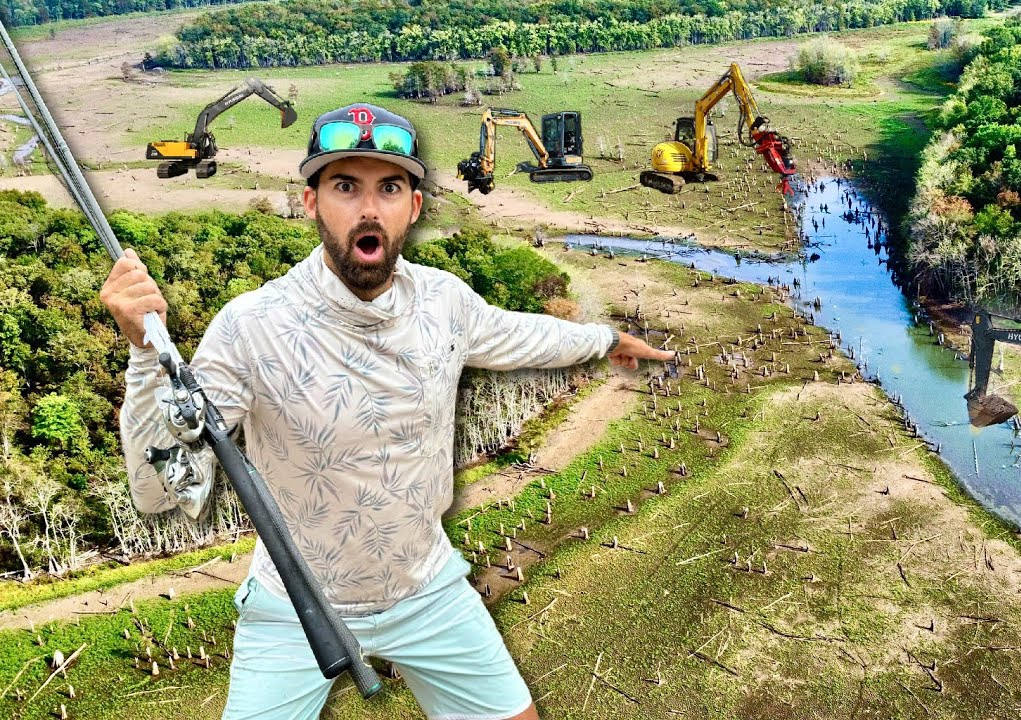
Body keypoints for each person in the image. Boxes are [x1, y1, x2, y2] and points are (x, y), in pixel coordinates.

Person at [100, 103, 675, 720]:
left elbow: (522, 338)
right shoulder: (250, 328)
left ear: (414, 208)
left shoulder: (444, 303)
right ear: (312, 203)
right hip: (294, 605)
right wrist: (143, 353)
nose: (369, 209)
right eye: (346, 186)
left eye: (390, 187)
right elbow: (160, 493)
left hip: (425, 589)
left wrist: (605, 340)